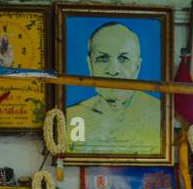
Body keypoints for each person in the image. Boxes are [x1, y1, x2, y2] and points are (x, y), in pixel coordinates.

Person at [66, 21, 161, 155]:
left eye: (123, 58)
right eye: (103, 58)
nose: (113, 70)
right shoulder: (72, 116)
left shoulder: (159, 115)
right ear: (90, 65)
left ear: (137, 67)